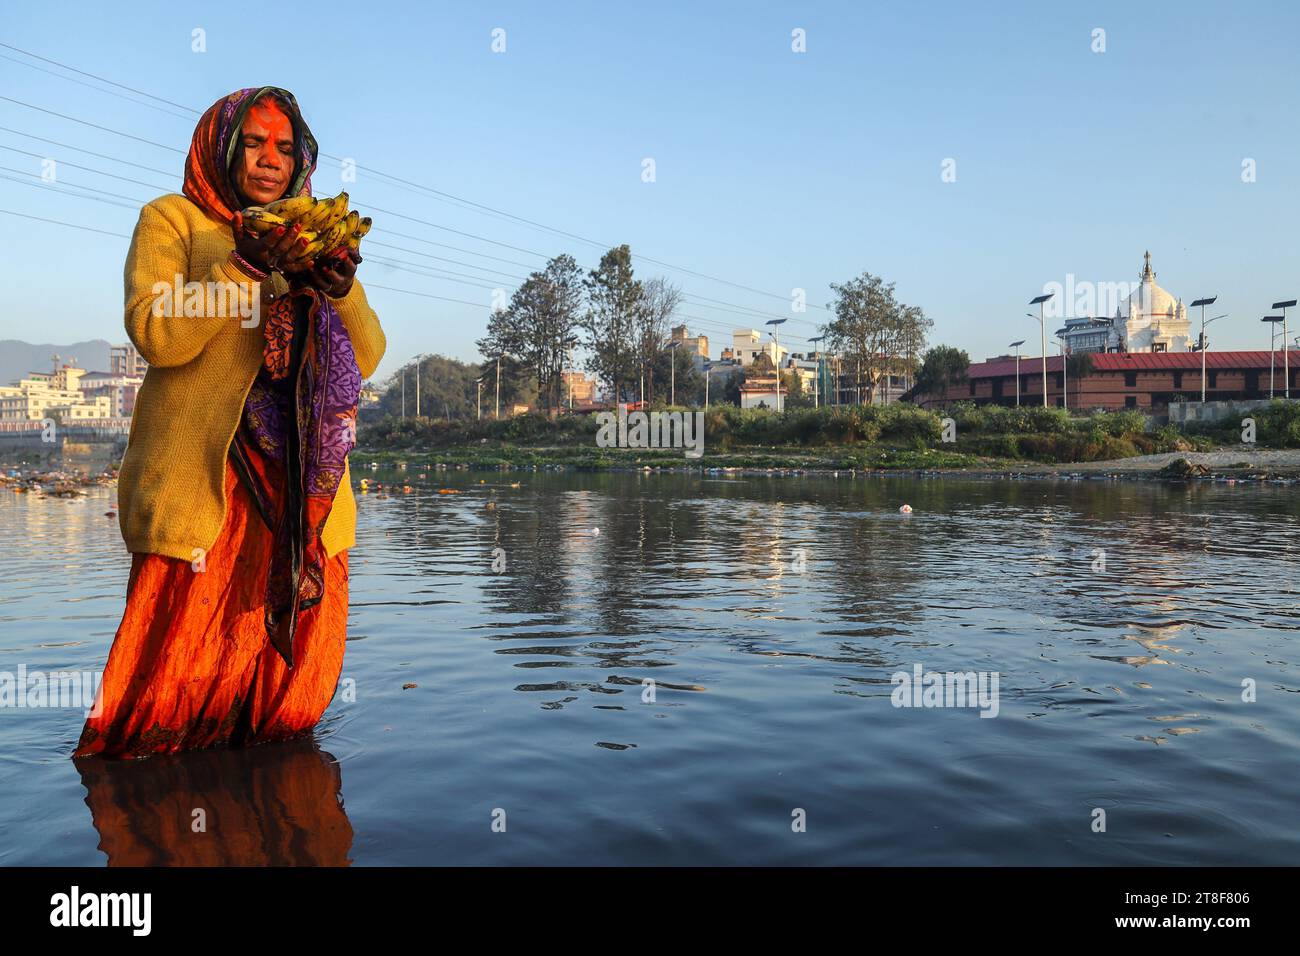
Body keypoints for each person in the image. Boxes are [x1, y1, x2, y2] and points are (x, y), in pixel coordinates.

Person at [72, 87, 386, 759]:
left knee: (285, 696)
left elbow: (364, 355)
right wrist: (246, 265)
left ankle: (272, 811)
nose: (268, 159)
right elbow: (160, 337)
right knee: (171, 692)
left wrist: (338, 285)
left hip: (301, 498)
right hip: (204, 491)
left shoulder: (307, 234)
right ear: (219, 149)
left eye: (283, 147)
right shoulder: (173, 222)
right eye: (251, 143)